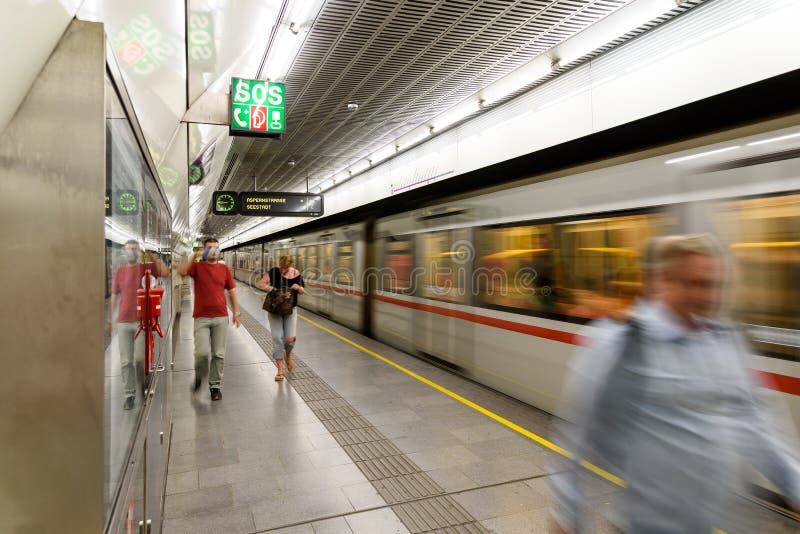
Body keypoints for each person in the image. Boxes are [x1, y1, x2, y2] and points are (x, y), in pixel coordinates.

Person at [550, 234, 800, 533]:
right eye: (695, 284)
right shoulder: (623, 343)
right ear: (666, 280)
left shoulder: (725, 341)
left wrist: (795, 489)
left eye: (714, 285)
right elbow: (578, 433)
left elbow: (757, 427)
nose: (708, 296)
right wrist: (567, 514)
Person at [107, 240, 170, 410]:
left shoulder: (146, 268)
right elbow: (114, 295)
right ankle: (130, 394)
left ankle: (144, 380)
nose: (131, 253)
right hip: (123, 321)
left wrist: (149, 253)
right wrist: (109, 320)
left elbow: (165, 272)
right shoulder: (120, 272)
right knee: (126, 361)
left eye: (134, 250)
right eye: (128, 250)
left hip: (141, 321)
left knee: (140, 358)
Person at [178, 238, 241, 401]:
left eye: (215, 247)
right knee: (202, 353)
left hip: (221, 316)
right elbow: (182, 271)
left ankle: (215, 386)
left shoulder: (224, 268)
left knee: (218, 354)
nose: (213, 250)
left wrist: (236, 312)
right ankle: (199, 377)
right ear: (204, 251)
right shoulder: (197, 267)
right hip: (201, 318)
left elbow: (232, 290)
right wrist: (194, 254)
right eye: (209, 248)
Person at [256, 255, 305, 381]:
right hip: (275, 310)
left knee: (289, 339)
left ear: (290, 266)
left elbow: (302, 291)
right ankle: (280, 370)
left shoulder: (296, 273)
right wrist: (271, 288)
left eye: (286, 268)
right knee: (277, 338)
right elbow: (260, 283)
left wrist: (298, 288)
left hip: (291, 310)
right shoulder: (273, 271)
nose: (283, 270)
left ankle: (288, 355)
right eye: (281, 267)